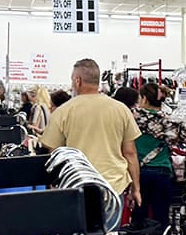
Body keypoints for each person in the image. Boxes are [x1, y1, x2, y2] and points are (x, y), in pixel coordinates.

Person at [41, 58, 142, 204]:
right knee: (110, 227)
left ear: (77, 80)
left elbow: (55, 153)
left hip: (76, 185)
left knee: (78, 226)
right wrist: (136, 189)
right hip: (113, 186)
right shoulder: (121, 110)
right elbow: (130, 153)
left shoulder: (63, 112)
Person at [131, 83, 179, 235]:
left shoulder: (134, 118)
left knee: (138, 218)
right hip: (162, 172)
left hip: (140, 173)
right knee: (162, 219)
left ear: (143, 98)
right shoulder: (169, 119)